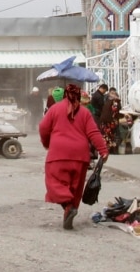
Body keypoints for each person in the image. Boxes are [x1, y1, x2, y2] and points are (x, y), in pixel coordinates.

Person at [39, 83, 109, 230]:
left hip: (58, 154)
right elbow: (93, 133)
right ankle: (70, 209)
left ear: (65, 95)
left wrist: (47, 143)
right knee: (76, 188)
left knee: (55, 182)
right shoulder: (84, 113)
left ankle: (66, 203)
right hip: (80, 156)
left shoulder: (54, 109)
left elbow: (43, 128)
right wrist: (103, 150)